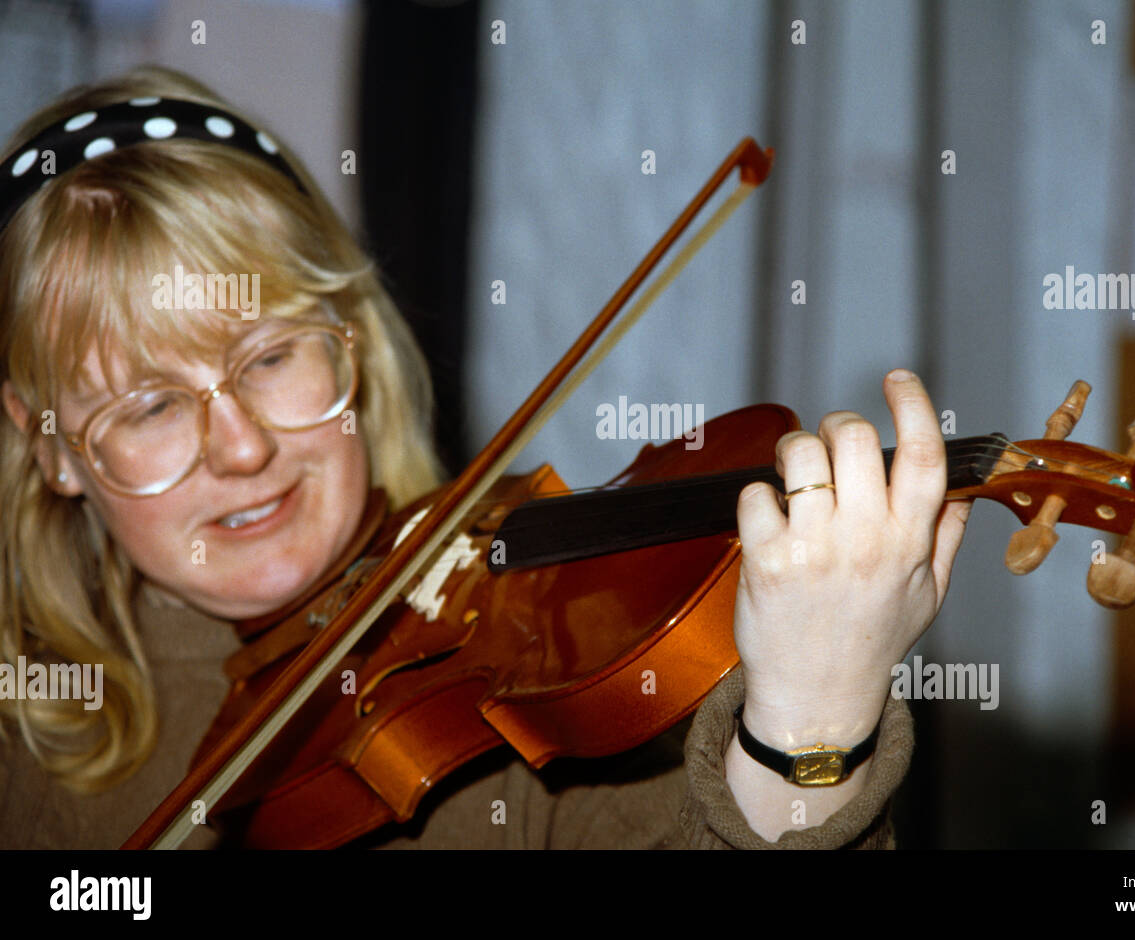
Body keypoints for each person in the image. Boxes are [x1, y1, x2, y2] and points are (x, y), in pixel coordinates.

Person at [0, 66, 970, 849]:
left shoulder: (519, 686)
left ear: (354, 341)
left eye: (270, 356)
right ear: (52, 449)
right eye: (154, 404)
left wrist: (813, 722)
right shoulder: (20, 737)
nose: (245, 446)